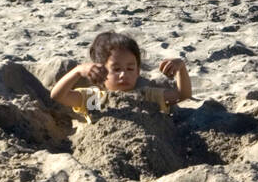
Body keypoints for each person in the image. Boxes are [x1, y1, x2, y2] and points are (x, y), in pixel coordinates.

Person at [50, 31, 192, 123]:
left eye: (130, 68)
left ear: (138, 71)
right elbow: (57, 95)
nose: (124, 74)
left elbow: (183, 95)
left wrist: (181, 68)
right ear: (99, 71)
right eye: (116, 69)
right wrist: (77, 71)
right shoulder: (93, 98)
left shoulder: (147, 96)